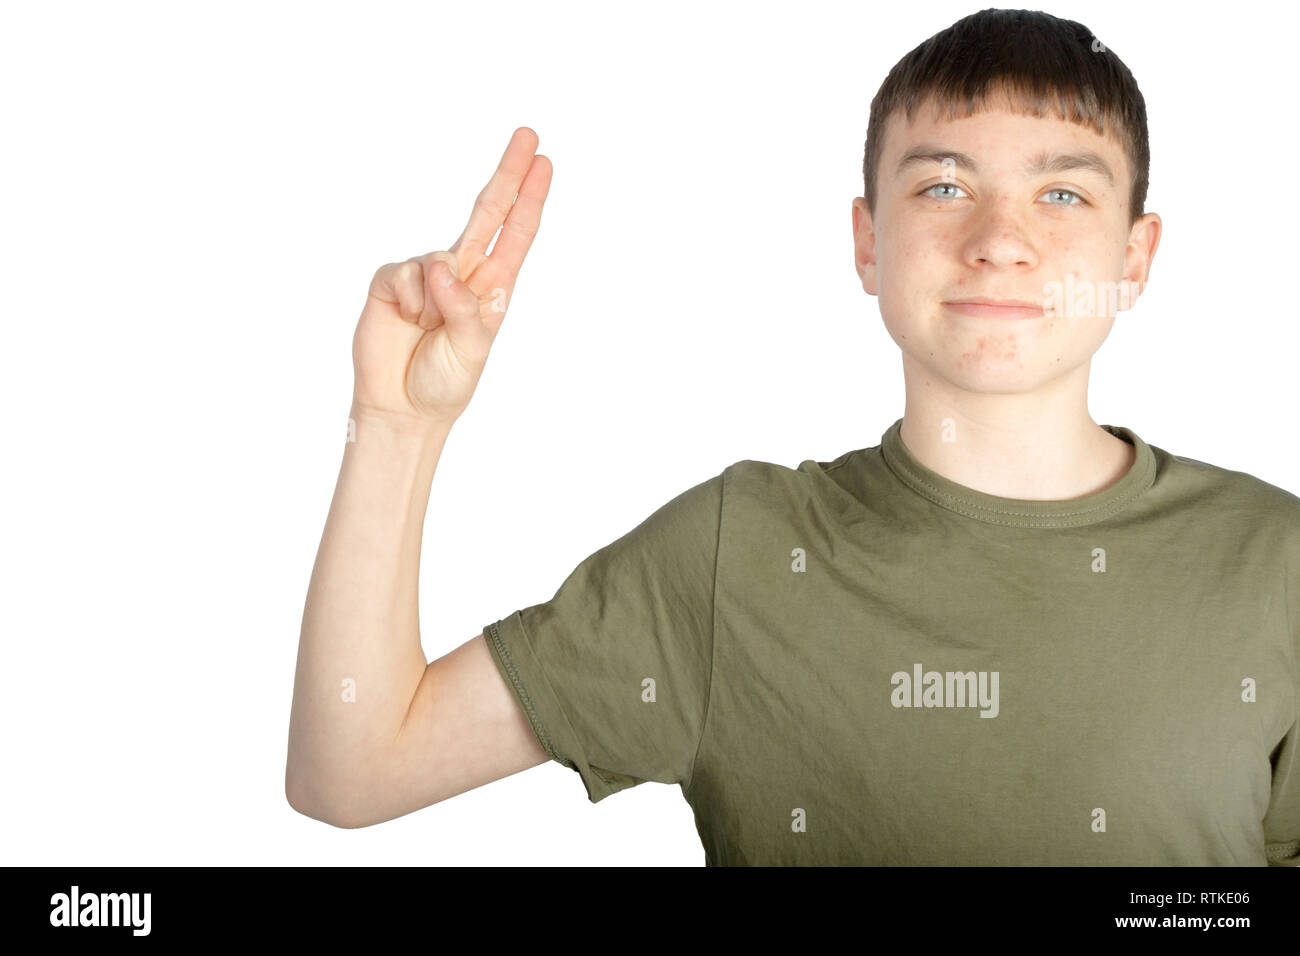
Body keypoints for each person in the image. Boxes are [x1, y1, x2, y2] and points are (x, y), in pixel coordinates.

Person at [285, 8, 1300, 866]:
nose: (999, 237)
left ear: (1134, 254)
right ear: (867, 241)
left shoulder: (1275, 560)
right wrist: (396, 424)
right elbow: (355, 767)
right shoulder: (738, 556)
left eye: (1062, 192)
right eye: (941, 185)